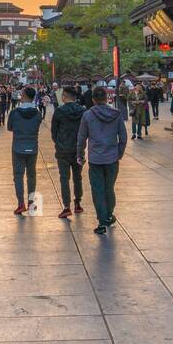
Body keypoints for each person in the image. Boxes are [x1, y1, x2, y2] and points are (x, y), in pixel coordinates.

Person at [76, 86, 127, 234]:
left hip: (96, 159)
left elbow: (81, 138)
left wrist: (80, 155)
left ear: (93, 100)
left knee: (97, 190)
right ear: (107, 98)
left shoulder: (87, 115)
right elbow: (123, 137)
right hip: (112, 158)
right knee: (109, 188)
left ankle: (102, 221)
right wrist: (119, 153)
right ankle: (109, 214)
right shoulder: (116, 114)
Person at [50, 86, 86, 218]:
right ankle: (78, 203)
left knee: (64, 178)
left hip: (63, 150)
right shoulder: (82, 111)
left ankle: (66, 206)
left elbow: (54, 132)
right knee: (78, 177)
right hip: (78, 149)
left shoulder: (59, 111)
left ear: (64, 96)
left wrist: (59, 143)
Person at [7, 86, 43, 214]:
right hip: (32, 146)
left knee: (18, 175)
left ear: (24, 96)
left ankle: (21, 204)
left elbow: (9, 127)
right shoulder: (38, 113)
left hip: (18, 146)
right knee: (31, 174)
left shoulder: (14, 112)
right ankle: (31, 203)